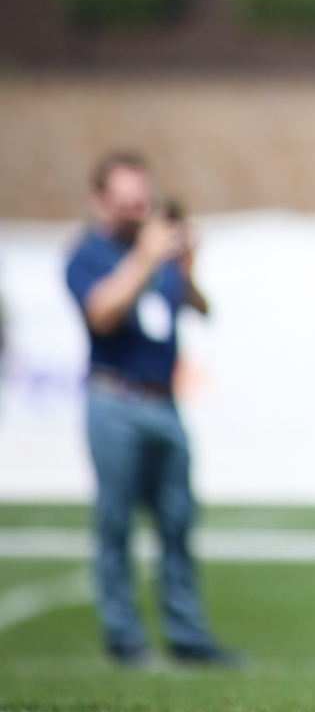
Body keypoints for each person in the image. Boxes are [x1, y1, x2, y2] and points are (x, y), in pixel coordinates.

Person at [64, 153, 235, 668]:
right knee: (115, 523)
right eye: (125, 201)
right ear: (101, 200)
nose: (137, 210)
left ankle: (188, 636)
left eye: (142, 200)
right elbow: (101, 314)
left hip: (164, 402)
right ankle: (125, 639)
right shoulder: (88, 255)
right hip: (115, 400)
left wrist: (186, 267)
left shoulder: (159, 255)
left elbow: (200, 308)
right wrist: (145, 257)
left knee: (178, 522)